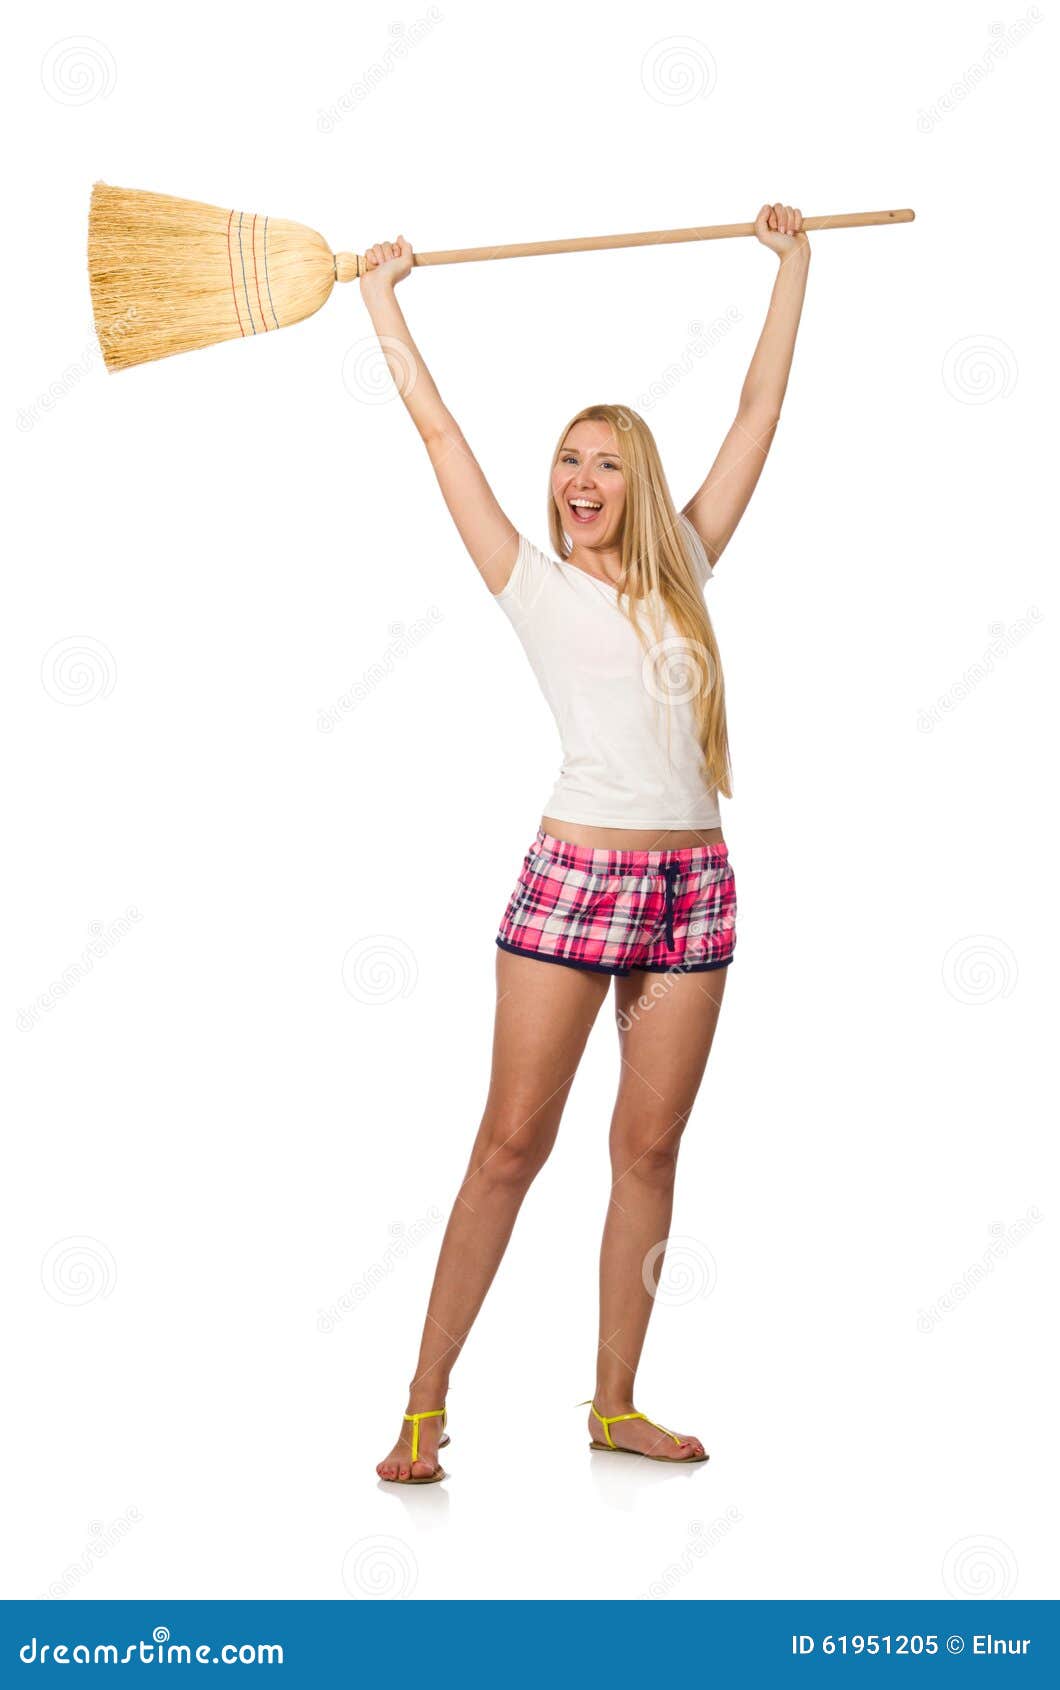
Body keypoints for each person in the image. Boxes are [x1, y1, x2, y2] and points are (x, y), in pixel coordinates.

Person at [361, 203, 811, 1483]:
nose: (581, 479)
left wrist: (793, 268)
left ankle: (614, 1405)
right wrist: (383, 300)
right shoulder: (529, 579)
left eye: (606, 461)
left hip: (692, 885)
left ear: (640, 486)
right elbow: (439, 431)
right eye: (567, 458)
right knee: (512, 1140)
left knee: (650, 1148)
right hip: (576, 881)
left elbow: (757, 413)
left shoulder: (687, 571)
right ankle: (422, 1407)